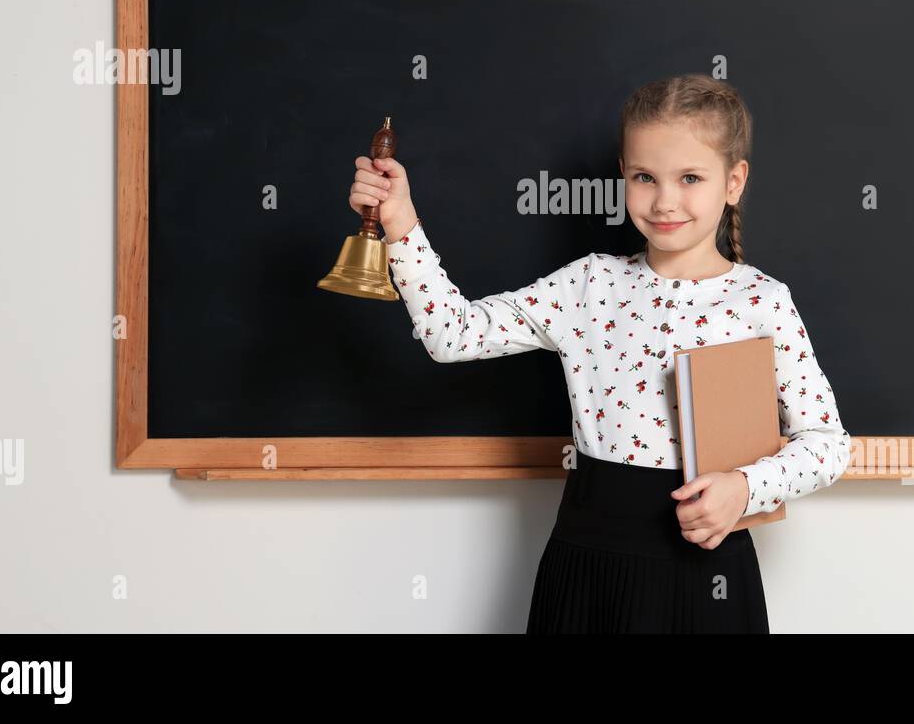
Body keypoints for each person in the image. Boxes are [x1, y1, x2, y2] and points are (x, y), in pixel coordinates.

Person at [348, 72, 851, 633]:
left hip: (706, 574)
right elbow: (453, 334)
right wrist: (399, 222)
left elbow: (827, 446)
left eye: (690, 177)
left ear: (733, 182)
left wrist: (746, 488)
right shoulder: (590, 284)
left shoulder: (761, 302)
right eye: (644, 177)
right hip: (587, 563)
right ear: (622, 175)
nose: (665, 201)